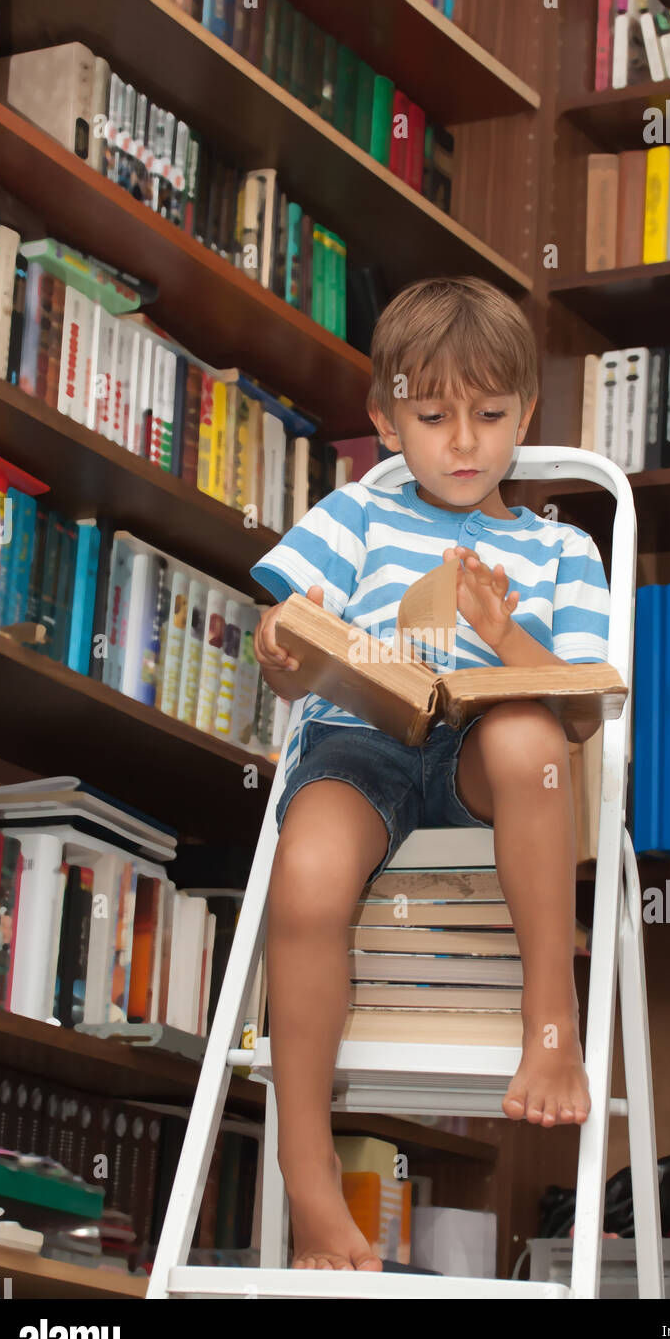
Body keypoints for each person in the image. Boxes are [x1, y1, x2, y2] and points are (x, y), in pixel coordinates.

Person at [251, 275, 610, 1272]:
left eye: (490, 416)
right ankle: (307, 1171)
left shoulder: (558, 548)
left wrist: (507, 637)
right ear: (383, 419)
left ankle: (552, 1020)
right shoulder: (355, 515)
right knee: (309, 873)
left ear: (524, 413)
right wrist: (282, 640)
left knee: (528, 735)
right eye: (432, 415)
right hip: (359, 738)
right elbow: (284, 624)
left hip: (487, 754)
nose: (462, 442)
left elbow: (579, 712)